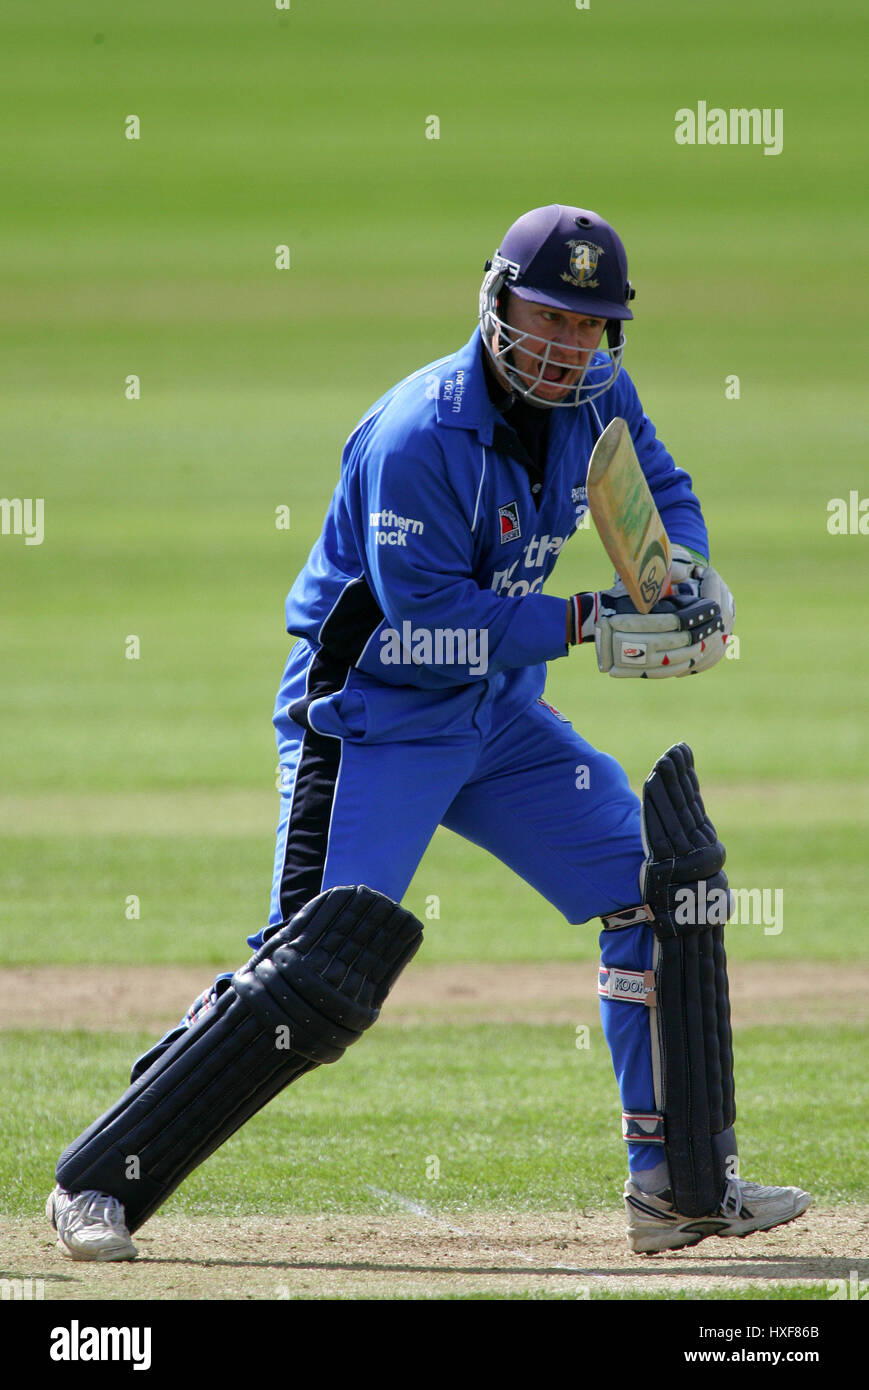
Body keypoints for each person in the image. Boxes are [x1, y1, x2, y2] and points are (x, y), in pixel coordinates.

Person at [46, 204, 809, 1262]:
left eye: (588, 326)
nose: (565, 346)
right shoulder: (417, 434)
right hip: (371, 717)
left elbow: (660, 491)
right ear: (495, 306)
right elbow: (432, 622)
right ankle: (99, 1180)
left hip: (495, 715)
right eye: (545, 317)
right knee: (311, 975)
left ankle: (677, 1186)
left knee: (661, 889)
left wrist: (685, 567)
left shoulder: (598, 400)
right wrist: (590, 619)